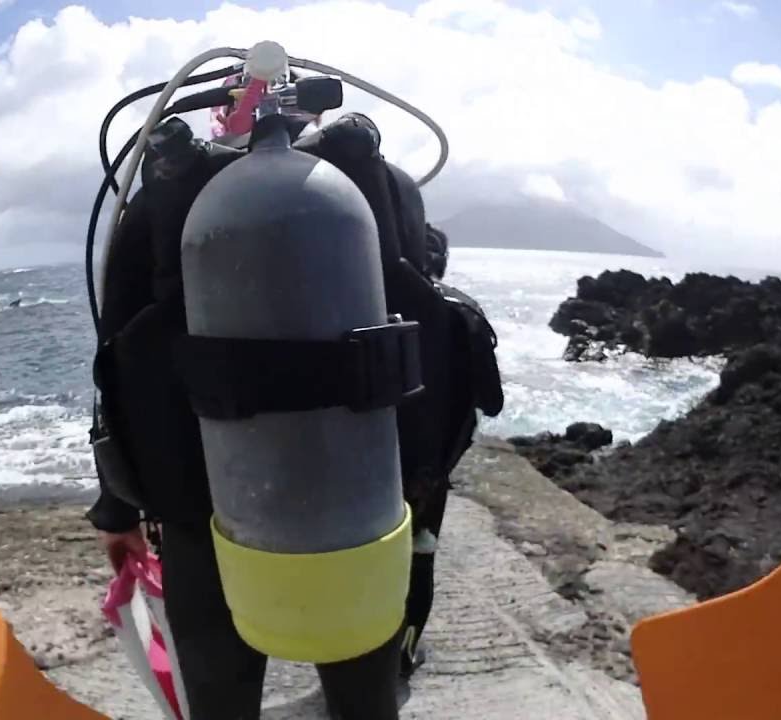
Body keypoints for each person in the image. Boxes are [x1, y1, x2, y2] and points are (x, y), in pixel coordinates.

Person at [87, 81, 503, 720]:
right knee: (365, 702)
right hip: (365, 501)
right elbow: (427, 328)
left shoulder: (168, 199)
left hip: (206, 508)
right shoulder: (383, 185)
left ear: (224, 115)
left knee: (220, 703)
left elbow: (118, 363)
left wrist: (117, 510)